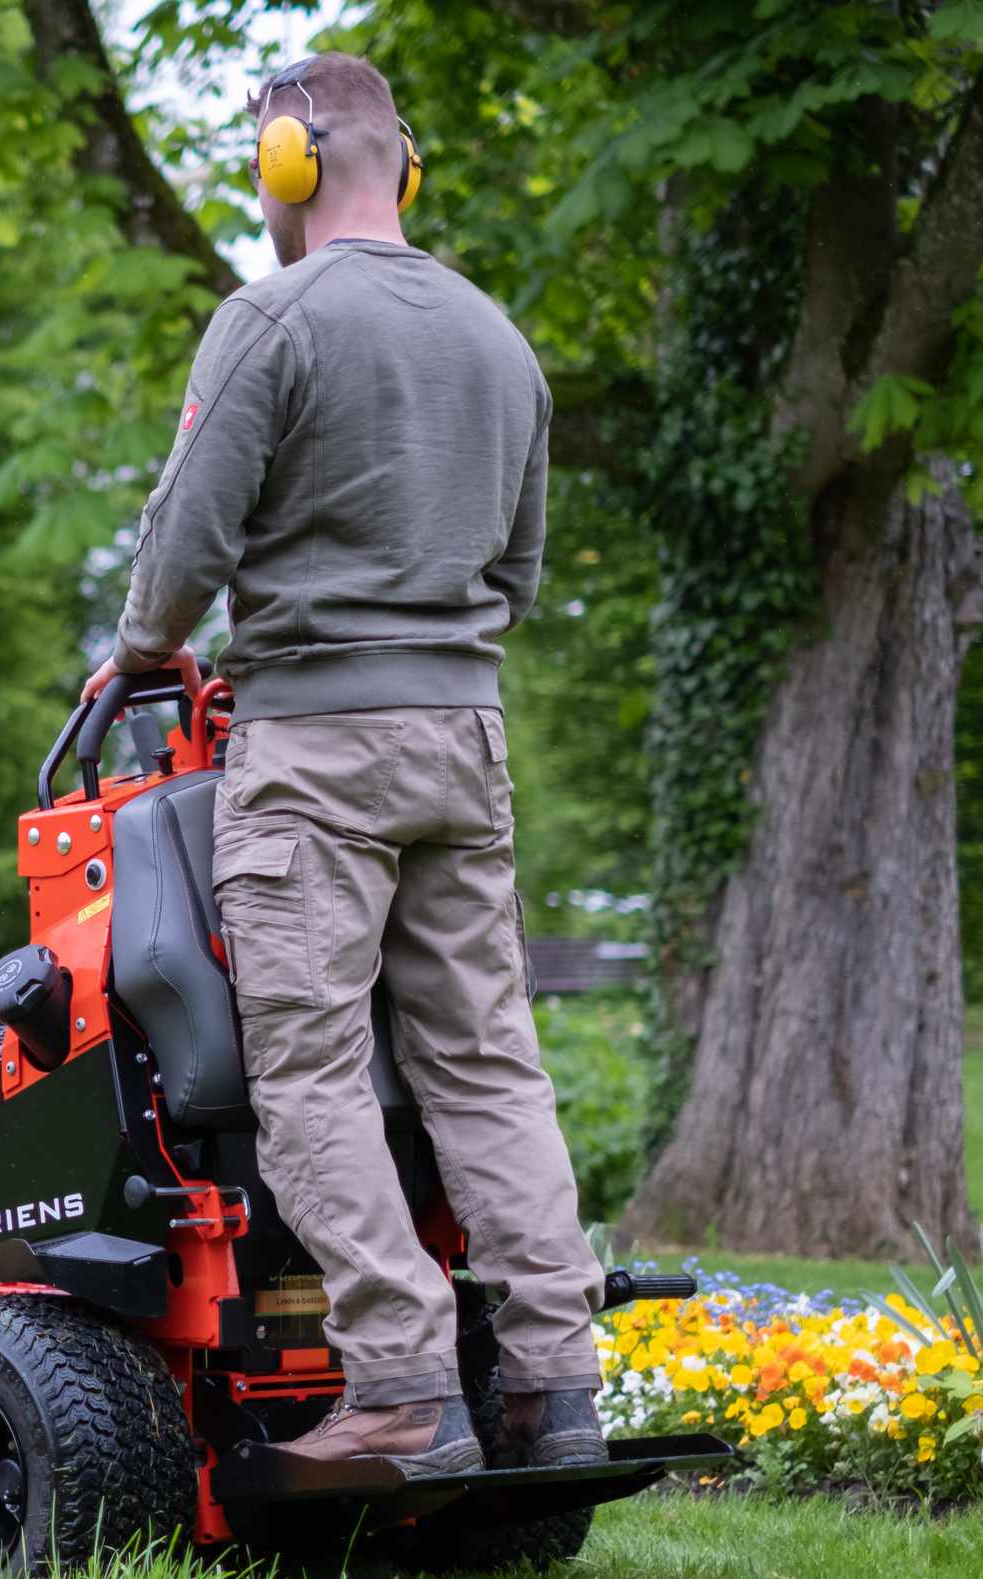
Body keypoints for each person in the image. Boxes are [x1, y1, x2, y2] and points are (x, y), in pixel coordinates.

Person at [82, 51, 605, 1479]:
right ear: (406, 165)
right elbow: (523, 572)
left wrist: (140, 650)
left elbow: (187, 543)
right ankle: (555, 1388)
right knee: (490, 1064)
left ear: (289, 164)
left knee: (305, 1067)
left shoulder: (271, 317)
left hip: (317, 748)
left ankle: (402, 1389)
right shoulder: (501, 341)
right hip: (465, 742)